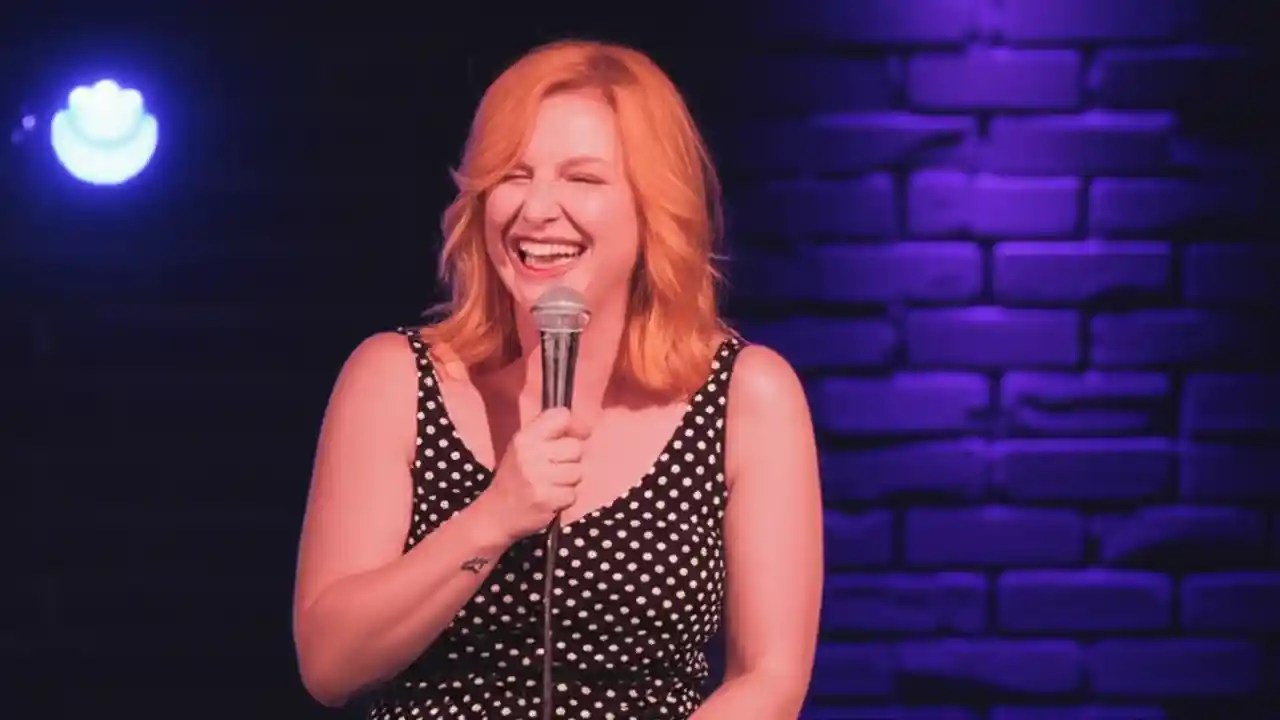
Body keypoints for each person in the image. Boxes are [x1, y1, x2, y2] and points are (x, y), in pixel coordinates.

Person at [291, 38, 824, 719]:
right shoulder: (396, 378)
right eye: (514, 175)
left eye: (582, 179)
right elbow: (329, 663)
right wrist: (493, 517)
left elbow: (771, 677)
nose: (537, 209)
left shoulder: (747, 396)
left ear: (652, 210)